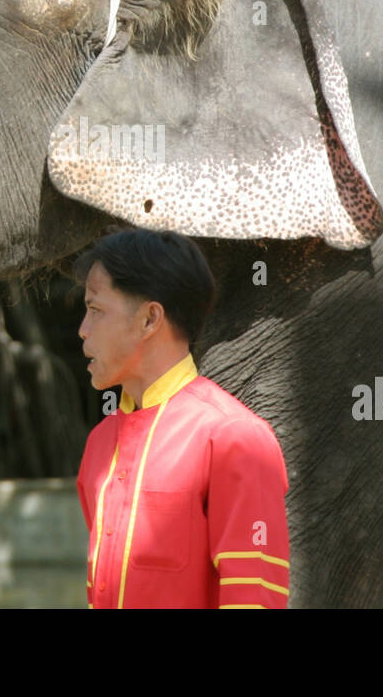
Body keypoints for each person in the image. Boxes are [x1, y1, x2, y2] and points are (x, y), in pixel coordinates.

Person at [74, 228, 290, 608]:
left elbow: (253, 599)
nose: (83, 330)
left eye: (95, 310)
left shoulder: (233, 437)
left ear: (149, 319)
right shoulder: (99, 443)